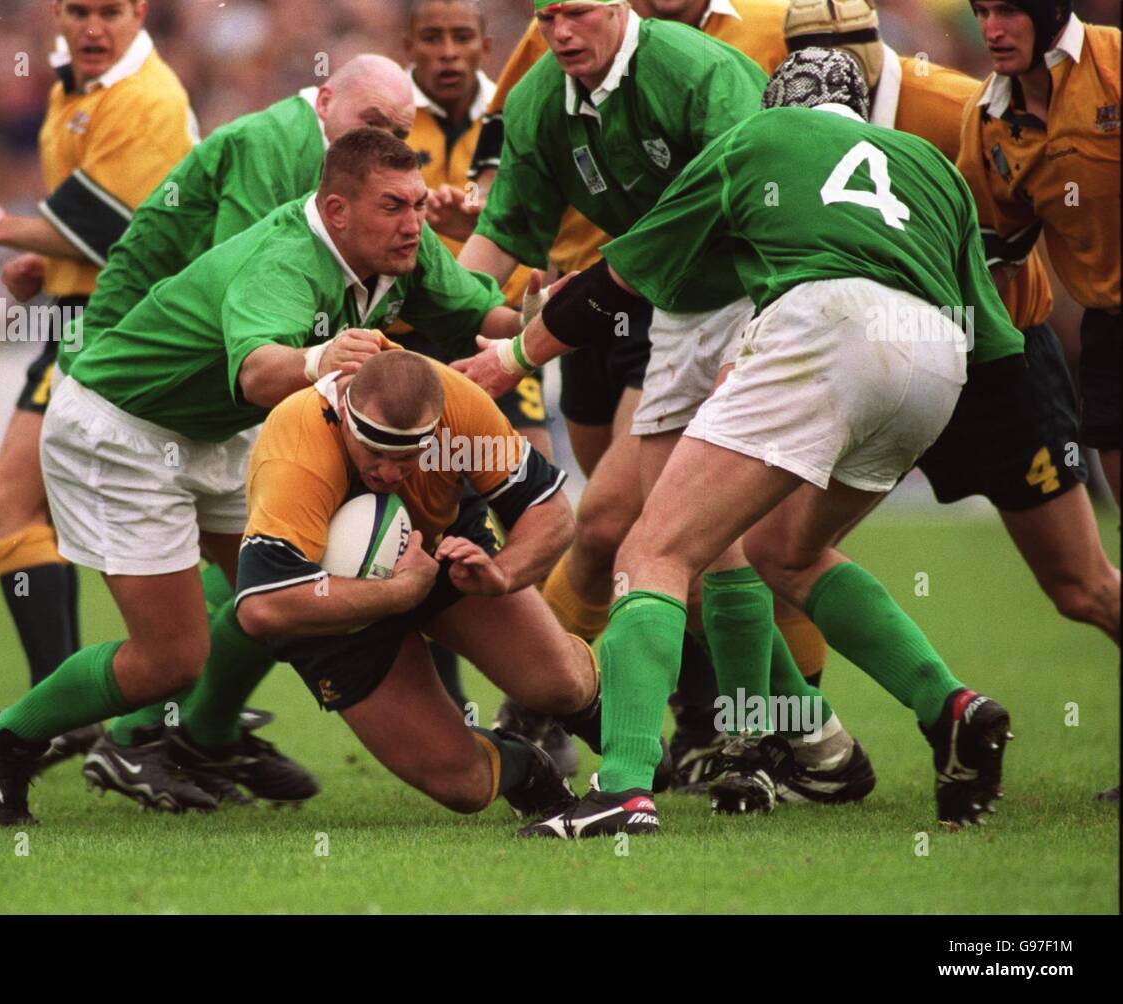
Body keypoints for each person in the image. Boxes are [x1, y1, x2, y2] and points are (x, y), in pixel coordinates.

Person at [458, 49, 1018, 835]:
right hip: (935, 356)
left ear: (779, 100)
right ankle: (946, 706)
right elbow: (993, 335)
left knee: (652, 554)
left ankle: (624, 787)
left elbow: (625, 276)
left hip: (821, 325)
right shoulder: (928, 163)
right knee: (786, 555)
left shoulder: (759, 134)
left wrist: (513, 356)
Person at [0, 129, 525, 825]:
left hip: (211, 433)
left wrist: (552, 316)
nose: (414, 222)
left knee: (284, 582)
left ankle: (201, 739)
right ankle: (3, 738)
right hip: (123, 431)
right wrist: (321, 360)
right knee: (171, 660)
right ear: (338, 209)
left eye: (415, 202)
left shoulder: (398, 245)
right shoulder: (285, 259)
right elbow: (259, 373)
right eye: (394, 206)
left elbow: (484, 314)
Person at [37, 55, 418, 799]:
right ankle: (116, 731)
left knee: (279, 576)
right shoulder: (275, 147)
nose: (386, 140)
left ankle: (191, 733)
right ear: (326, 99)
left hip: (198, 392)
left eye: (402, 133)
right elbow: (258, 296)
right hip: (137, 374)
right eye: (374, 125)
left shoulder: (346, 171)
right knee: (9, 516)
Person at [782, 0, 1119, 798]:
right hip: (886, 364)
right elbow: (1001, 228)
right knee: (771, 545)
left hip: (1000, 366)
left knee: (1081, 587)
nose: (819, 69)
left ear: (876, 49)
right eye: (802, 53)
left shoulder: (950, 104)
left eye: (839, 50)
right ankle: (799, 742)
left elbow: (995, 257)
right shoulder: (987, 114)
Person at [181, 348, 598, 823]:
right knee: (464, 786)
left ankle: (611, 728)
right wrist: (400, 592)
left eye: (407, 457)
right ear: (345, 417)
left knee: (561, 684)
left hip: (439, 544)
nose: (387, 470)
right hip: (325, 604)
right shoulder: (298, 449)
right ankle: (526, 767)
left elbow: (552, 514)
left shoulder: (458, 404)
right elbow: (260, 608)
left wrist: (502, 572)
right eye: (374, 452)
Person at [0, 0, 195, 692]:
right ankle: (163, 726)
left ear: (139, 12)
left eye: (109, 11)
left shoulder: (146, 96)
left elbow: (110, 226)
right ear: (56, 13)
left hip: (120, 326)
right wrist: (47, 265)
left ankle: (100, 717)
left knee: (12, 505)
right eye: (78, 9)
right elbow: (107, 232)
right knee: (26, 509)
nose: (93, 26)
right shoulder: (73, 89)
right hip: (85, 315)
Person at [394, 0, 548, 720]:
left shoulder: (517, 115)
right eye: (433, 37)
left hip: (501, 343)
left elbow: (545, 223)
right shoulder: (389, 116)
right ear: (410, 45)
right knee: (419, 524)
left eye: (462, 37)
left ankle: (538, 698)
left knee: (536, 507)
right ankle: (451, 705)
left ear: (487, 44)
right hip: (408, 344)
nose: (449, 52)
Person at [958, 2, 1119, 513]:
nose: (991, 30)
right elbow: (992, 255)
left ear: (1050, 9)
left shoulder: (1114, 62)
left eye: (1008, 11)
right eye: (981, 12)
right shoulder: (986, 119)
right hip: (1109, 330)